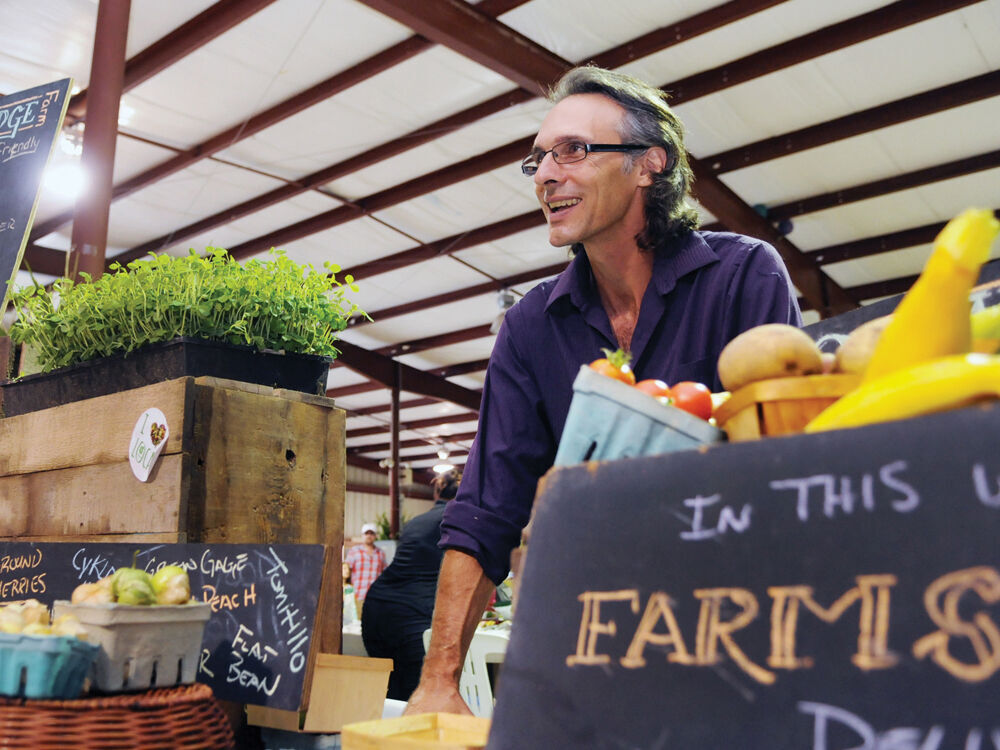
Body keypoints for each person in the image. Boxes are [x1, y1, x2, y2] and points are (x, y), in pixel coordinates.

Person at [405, 65, 802, 715]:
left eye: (575, 151)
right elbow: (486, 510)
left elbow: (789, 469)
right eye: (537, 159)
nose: (546, 174)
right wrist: (440, 680)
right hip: (594, 644)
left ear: (649, 165)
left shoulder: (742, 277)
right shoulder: (532, 328)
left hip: (739, 644)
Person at [361, 470, 461, 700]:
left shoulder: (417, 521)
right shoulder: (459, 519)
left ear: (437, 490)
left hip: (376, 609)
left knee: (389, 695)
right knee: (415, 698)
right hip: (412, 617)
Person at [344, 522, 386, 613]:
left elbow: (385, 574)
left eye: (372, 533)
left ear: (375, 536)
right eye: (366, 533)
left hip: (376, 597)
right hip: (359, 596)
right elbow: (346, 572)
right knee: (358, 624)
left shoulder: (380, 553)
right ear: (362, 535)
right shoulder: (354, 551)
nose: (369, 536)